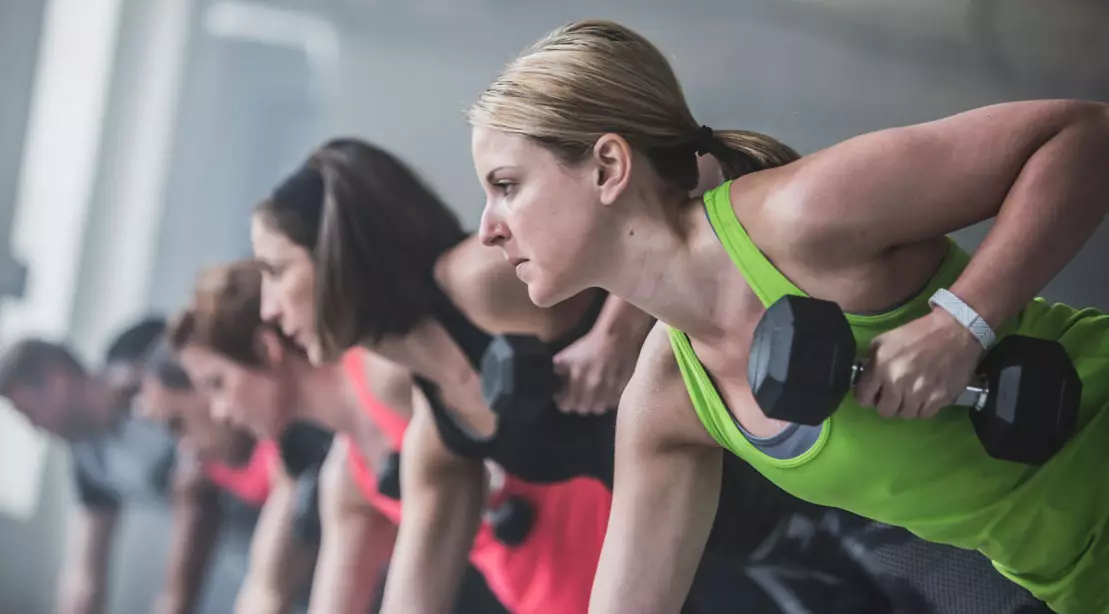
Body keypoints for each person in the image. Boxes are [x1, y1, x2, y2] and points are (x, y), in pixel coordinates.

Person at [469, 18, 1109, 614]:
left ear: (607, 167)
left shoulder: (796, 218)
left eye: (506, 186)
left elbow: (1083, 136)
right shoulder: (668, 401)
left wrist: (961, 323)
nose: (487, 230)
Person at [249, 137, 1029, 614]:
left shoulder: (475, 281)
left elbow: (686, 165)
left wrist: (619, 332)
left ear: (337, 253)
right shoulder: (436, 437)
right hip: (758, 561)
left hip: (847, 474)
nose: (268, 306)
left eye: (276, 271)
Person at [169, 260, 614, 614]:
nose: (221, 412)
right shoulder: (348, 478)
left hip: (642, 552)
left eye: (218, 384)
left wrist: (615, 334)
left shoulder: (390, 371)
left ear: (267, 349)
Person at [0, 319, 314, 614]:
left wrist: (175, 602)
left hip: (290, 484)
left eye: (30, 413)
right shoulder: (90, 466)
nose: (35, 428)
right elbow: (84, 575)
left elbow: (196, 499)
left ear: (56, 381)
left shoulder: (137, 347)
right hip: (265, 542)